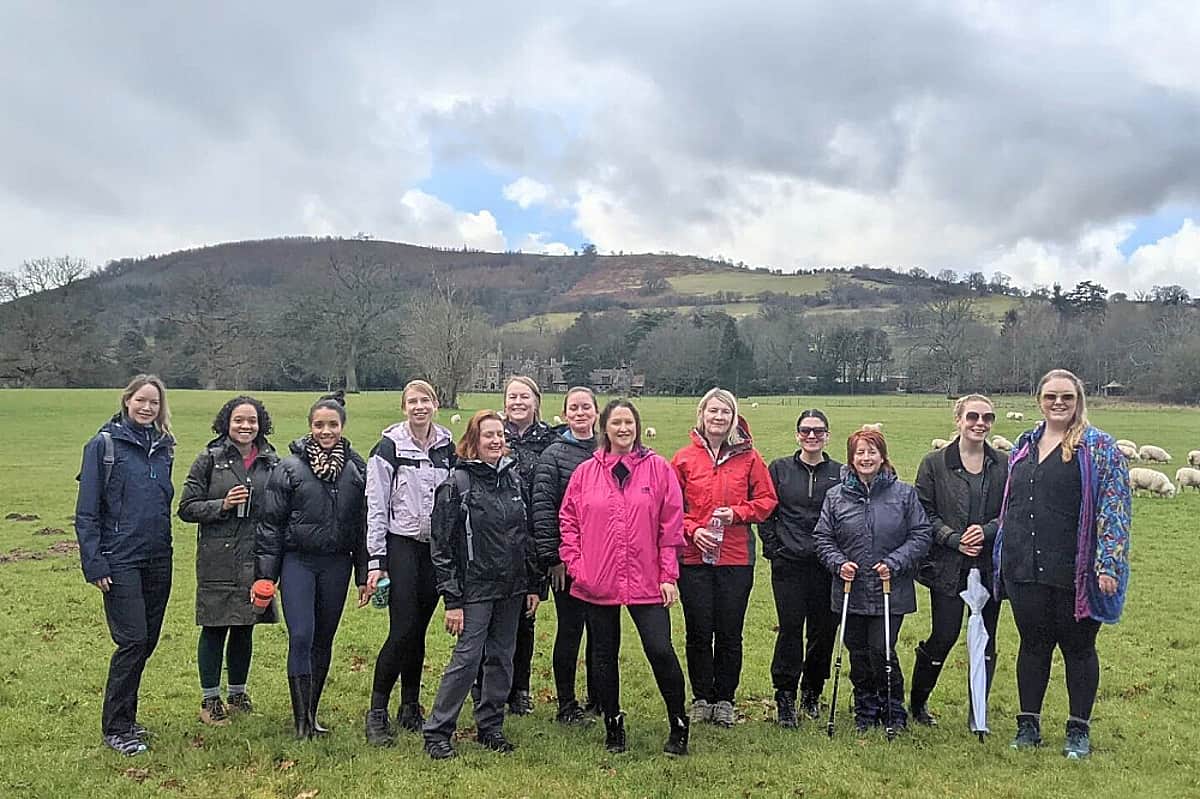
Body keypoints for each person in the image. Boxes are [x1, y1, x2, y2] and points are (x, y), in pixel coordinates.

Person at [995, 369, 1131, 759]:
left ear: (1078, 401)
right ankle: (1028, 726)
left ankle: (1078, 730)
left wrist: (1108, 563)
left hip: (1075, 567)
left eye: (1066, 397)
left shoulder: (1099, 447)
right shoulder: (1025, 443)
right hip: (1024, 564)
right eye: (1051, 396)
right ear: (1039, 399)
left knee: (1079, 648)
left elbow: (1115, 507)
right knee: (1032, 645)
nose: (1058, 403)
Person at [559, 399, 690, 755]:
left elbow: (671, 526)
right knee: (603, 655)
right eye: (616, 422)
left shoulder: (658, 469)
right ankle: (613, 725)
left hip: (647, 578)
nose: (623, 429)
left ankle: (679, 722)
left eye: (628, 422)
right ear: (605, 427)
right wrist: (577, 566)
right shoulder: (586, 472)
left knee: (660, 650)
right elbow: (568, 522)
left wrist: (668, 575)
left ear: (637, 426)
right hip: (598, 580)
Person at [423, 410, 541, 760]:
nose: (496, 440)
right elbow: (441, 547)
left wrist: (532, 584)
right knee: (467, 659)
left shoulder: (514, 480)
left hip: (511, 587)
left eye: (500, 434)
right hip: (474, 589)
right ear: (473, 440)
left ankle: (490, 726)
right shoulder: (456, 485)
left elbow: (526, 536)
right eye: (488, 435)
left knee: (502, 659)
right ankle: (437, 731)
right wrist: (452, 600)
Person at [255, 392, 370, 739]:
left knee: (324, 638)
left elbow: (363, 526)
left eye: (332, 424)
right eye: (319, 425)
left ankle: (312, 713)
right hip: (298, 562)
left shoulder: (356, 470)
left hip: (337, 564)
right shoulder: (289, 468)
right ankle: (299, 721)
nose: (326, 431)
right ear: (310, 427)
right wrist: (266, 575)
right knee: (302, 635)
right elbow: (270, 525)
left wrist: (364, 574)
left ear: (342, 426)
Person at [74, 375, 176, 756]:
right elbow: (86, 512)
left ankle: (128, 719)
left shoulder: (164, 447)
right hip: (120, 559)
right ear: (127, 400)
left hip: (158, 557)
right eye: (141, 400)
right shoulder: (103, 445)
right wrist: (95, 562)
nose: (147, 407)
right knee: (132, 640)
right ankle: (115, 728)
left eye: (154, 402)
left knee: (146, 641)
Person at [670, 387, 778, 727]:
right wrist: (692, 530)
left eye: (725, 412)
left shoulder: (750, 458)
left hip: (735, 558)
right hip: (694, 558)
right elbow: (670, 508)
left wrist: (737, 513)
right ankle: (702, 697)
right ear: (701, 414)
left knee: (730, 632)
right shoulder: (684, 458)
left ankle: (725, 699)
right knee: (698, 631)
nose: (718, 417)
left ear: (733, 417)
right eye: (713, 411)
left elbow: (767, 501)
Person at [814, 429, 932, 733]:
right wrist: (838, 563)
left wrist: (894, 562)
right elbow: (823, 537)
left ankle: (893, 708)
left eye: (872, 452)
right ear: (851, 459)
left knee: (881, 649)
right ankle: (865, 708)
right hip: (851, 589)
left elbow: (921, 534)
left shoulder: (904, 494)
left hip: (889, 588)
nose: (866, 458)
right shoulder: (836, 496)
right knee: (857, 651)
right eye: (860, 453)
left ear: (882, 456)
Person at [362, 380, 455, 746]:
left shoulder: (447, 447)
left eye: (425, 400)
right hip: (401, 545)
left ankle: (410, 706)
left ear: (435, 404)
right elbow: (376, 506)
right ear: (404, 408)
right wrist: (376, 560)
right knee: (401, 630)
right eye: (412, 401)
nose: (419, 407)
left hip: (434, 550)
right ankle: (376, 712)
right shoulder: (388, 447)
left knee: (418, 631)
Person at [178, 395, 280, 726]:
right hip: (218, 557)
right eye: (239, 420)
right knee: (215, 626)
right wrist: (221, 504)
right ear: (227, 423)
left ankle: (237, 694)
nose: (245, 426)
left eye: (252, 420)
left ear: (261, 425)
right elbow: (186, 508)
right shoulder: (209, 459)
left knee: (245, 625)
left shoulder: (271, 461)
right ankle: (210, 699)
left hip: (255, 556)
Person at [912, 394, 1007, 729]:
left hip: (989, 566)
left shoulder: (1003, 464)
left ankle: (977, 711)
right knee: (945, 634)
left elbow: (1011, 510)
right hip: (948, 567)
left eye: (987, 417)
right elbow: (923, 511)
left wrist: (988, 531)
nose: (980, 423)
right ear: (959, 420)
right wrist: (953, 539)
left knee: (986, 639)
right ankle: (918, 702)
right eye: (973, 417)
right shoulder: (934, 464)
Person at [759, 409, 842, 727]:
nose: (812, 436)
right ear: (797, 435)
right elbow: (766, 511)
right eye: (806, 430)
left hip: (826, 565)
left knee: (823, 631)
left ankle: (812, 691)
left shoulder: (840, 472)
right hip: (789, 565)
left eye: (818, 431)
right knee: (790, 629)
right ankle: (785, 695)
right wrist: (775, 549)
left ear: (827, 436)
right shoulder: (779, 469)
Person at [483, 375, 556, 715]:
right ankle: (485, 685)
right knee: (492, 615)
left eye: (524, 396)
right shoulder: (494, 434)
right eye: (512, 396)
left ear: (536, 401)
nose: (518, 402)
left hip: (534, 536)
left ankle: (520, 688)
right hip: (496, 538)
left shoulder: (549, 441)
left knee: (526, 615)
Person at [531, 386, 600, 726]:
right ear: (565, 413)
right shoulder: (554, 455)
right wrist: (553, 557)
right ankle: (566, 703)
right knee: (571, 629)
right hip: (567, 560)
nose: (580, 413)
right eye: (574, 408)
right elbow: (543, 508)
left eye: (586, 407)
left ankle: (600, 697)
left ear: (596, 412)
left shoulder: (608, 449)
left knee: (601, 631)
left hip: (604, 559)